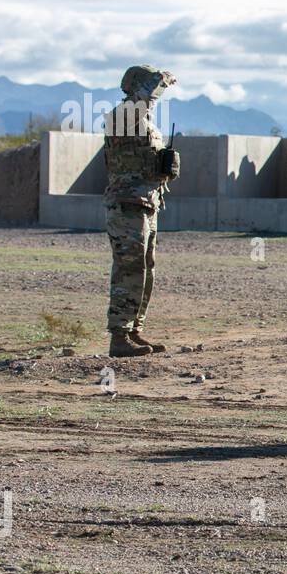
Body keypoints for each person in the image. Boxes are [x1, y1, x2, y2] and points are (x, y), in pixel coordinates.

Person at [103, 65, 180, 357]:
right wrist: (160, 79)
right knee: (128, 268)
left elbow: (143, 159)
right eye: (152, 88)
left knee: (146, 269)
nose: (156, 95)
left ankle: (134, 330)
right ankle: (119, 336)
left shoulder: (145, 121)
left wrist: (165, 166)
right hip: (127, 204)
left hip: (147, 202)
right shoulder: (122, 115)